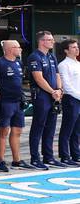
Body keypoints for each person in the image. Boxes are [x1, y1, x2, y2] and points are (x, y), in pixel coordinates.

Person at [27, 30, 62, 169]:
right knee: (38, 127)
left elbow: (58, 74)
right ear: (42, 41)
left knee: (51, 127)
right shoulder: (35, 57)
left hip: (54, 95)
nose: (52, 42)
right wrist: (52, 91)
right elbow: (38, 78)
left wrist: (59, 89)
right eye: (50, 39)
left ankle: (48, 156)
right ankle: (35, 158)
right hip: (42, 95)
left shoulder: (52, 57)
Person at [0, 39, 27, 171]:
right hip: (5, 101)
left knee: (17, 130)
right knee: (4, 130)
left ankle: (16, 159)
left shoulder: (19, 62)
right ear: (9, 49)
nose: (20, 49)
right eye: (17, 47)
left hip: (17, 101)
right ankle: (1, 160)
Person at [58, 39, 80, 166]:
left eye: (77, 47)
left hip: (78, 99)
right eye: (73, 47)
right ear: (66, 50)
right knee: (67, 128)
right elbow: (66, 85)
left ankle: (76, 154)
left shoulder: (78, 64)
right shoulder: (63, 65)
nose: (76, 49)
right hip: (71, 99)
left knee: (77, 130)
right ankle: (65, 156)